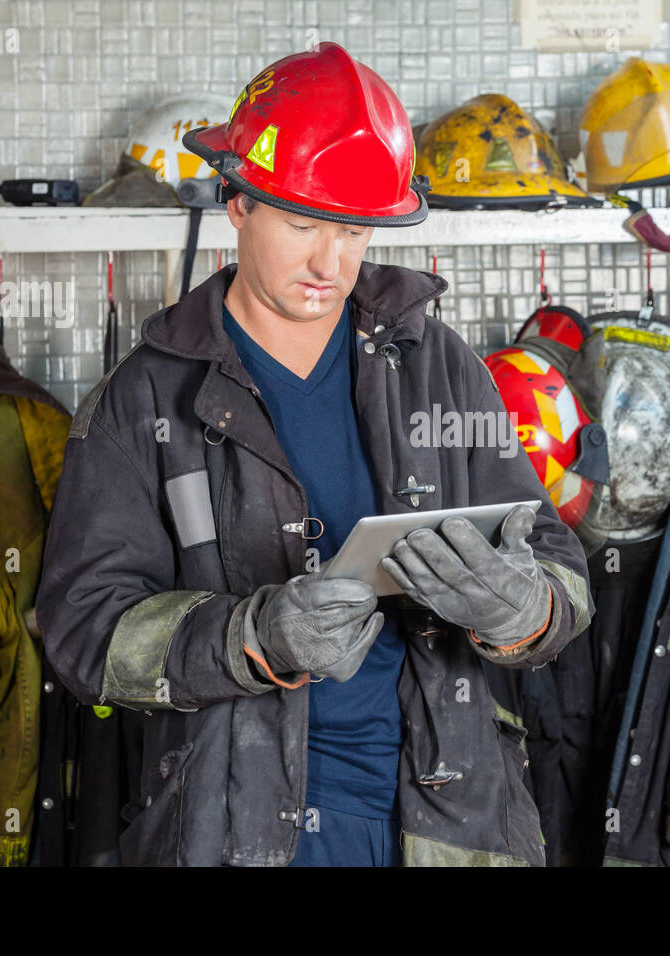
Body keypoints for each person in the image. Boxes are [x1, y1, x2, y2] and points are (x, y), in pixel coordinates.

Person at [35, 42, 593, 867]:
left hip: (447, 828)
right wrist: (253, 637)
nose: (331, 263)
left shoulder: (437, 365)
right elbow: (83, 630)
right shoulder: (146, 398)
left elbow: (557, 565)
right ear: (237, 202)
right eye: (303, 224)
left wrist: (524, 612)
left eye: (354, 229)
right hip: (233, 828)